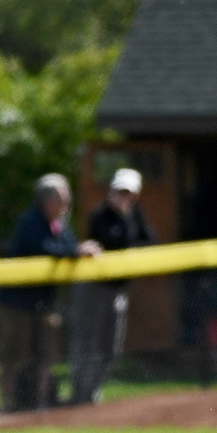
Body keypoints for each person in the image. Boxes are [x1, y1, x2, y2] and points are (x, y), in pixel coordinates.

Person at [0, 174, 101, 412]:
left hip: (44, 303)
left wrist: (79, 249)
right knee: (13, 356)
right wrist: (76, 250)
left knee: (46, 356)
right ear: (48, 201)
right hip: (17, 304)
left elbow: (68, 246)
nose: (68, 203)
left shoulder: (59, 225)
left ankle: (41, 405)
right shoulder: (30, 222)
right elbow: (45, 249)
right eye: (63, 198)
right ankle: (4, 405)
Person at [69, 168, 155, 405]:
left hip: (117, 290)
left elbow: (150, 240)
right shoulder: (100, 215)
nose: (123, 196)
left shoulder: (135, 214)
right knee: (88, 342)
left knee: (111, 347)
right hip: (94, 288)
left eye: (128, 192)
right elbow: (115, 241)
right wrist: (126, 223)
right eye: (120, 191)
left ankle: (93, 391)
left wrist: (128, 221)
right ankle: (80, 394)